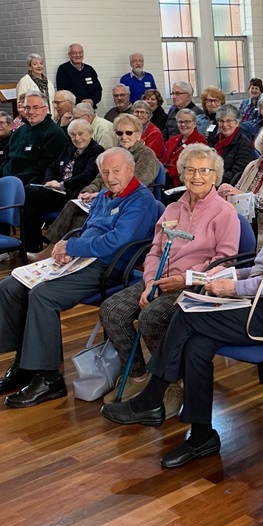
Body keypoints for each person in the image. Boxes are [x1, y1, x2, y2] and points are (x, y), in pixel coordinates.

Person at [101, 158, 263, 469]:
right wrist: (216, 280)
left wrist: (232, 289)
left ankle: (151, 398)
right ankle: (202, 436)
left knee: (185, 315)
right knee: (198, 344)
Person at [0, 147, 162, 407]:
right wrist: (65, 247)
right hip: (81, 258)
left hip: (110, 266)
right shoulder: (104, 195)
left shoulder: (141, 200)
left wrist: (71, 247)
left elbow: (117, 242)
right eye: (105, 172)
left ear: (131, 170)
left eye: (116, 171)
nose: (110, 177)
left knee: (42, 296)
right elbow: (88, 228)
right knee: (10, 287)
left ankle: (49, 380)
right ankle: (24, 364)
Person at [100, 145, 242, 404]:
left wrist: (186, 278)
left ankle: (172, 382)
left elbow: (224, 263)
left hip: (194, 285)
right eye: (190, 170)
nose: (196, 176)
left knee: (151, 317)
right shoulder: (173, 209)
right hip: (160, 279)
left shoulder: (225, 213)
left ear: (215, 176)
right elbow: (154, 251)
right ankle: (137, 376)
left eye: (203, 170)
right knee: (112, 310)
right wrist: (150, 282)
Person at [34, 113, 159, 253]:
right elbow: (100, 178)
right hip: (106, 197)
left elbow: (136, 181)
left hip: (128, 201)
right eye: (119, 132)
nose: (124, 136)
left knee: (80, 214)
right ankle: (59, 250)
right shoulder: (114, 153)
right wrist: (88, 190)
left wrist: (99, 194)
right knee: (76, 206)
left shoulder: (146, 155)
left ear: (138, 134)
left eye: (128, 132)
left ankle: (62, 252)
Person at [20, 119, 105, 252]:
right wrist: (50, 179)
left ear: (90, 133)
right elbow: (52, 166)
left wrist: (62, 185)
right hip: (55, 191)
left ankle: (43, 246)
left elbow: (87, 176)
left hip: (71, 193)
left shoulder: (96, 151)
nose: (77, 138)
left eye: (81, 134)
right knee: (30, 209)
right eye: (73, 135)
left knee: (26, 191)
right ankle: (31, 250)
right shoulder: (69, 147)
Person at [218, 124, 263, 249]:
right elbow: (238, 189)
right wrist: (227, 191)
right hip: (241, 221)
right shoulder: (253, 165)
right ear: (261, 146)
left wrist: (248, 198)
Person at [0, 91, 67, 193]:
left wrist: (10, 182)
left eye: (36, 107)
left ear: (46, 109)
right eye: (27, 108)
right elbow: (8, 161)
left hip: (26, 186)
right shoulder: (20, 131)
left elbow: (42, 169)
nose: (31, 112)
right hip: (5, 180)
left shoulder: (54, 134)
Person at [205, 104, 255, 186]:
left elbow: (237, 173)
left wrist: (213, 180)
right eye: (221, 121)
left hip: (227, 185)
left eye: (228, 121)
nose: (225, 125)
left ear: (237, 123)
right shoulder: (215, 140)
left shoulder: (244, 144)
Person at [162, 109, 207, 188]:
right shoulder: (172, 140)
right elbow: (163, 158)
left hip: (180, 182)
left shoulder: (199, 143)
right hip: (164, 176)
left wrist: (169, 171)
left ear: (194, 123)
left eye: (187, 122)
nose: (183, 125)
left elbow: (193, 167)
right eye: (180, 122)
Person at [55, 43, 101, 108]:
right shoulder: (63, 69)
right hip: (73, 108)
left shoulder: (89, 69)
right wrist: (81, 102)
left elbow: (98, 88)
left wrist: (92, 101)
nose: (78, 55)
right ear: (69, 55)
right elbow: (63, 91)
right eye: (74, 53)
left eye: (80, 52)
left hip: (90, 107)